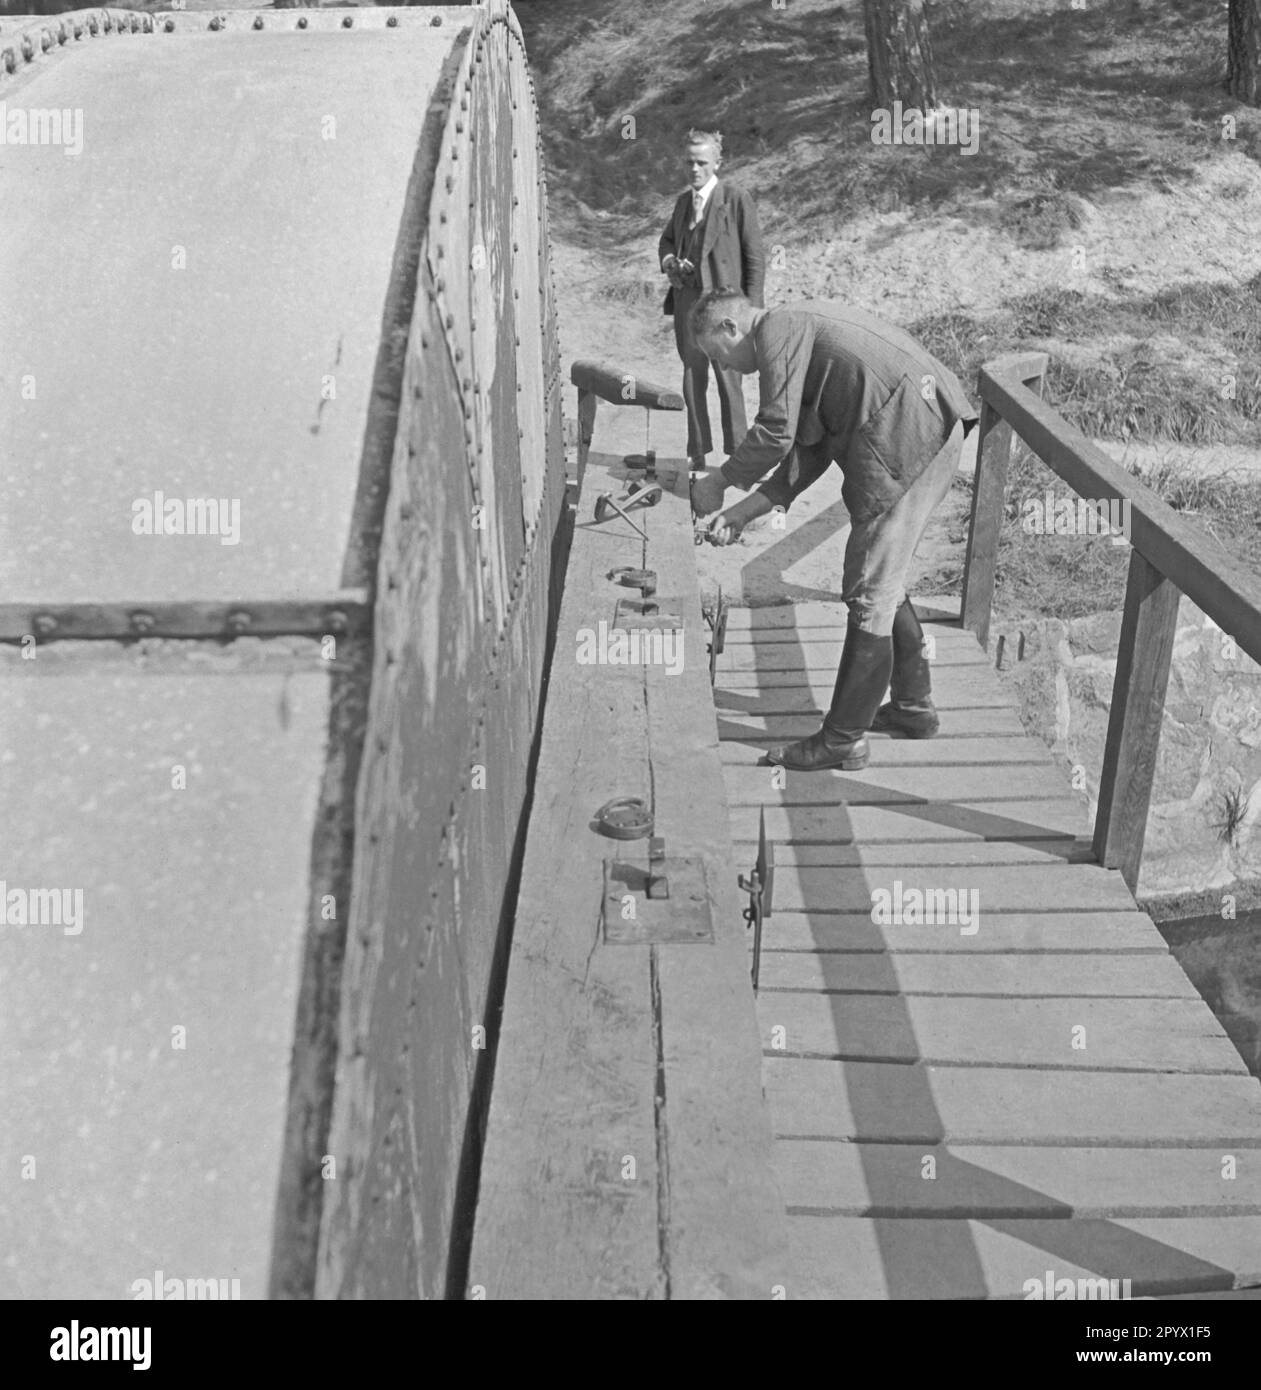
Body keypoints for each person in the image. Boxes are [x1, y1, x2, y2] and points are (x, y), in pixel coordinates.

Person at [688, 289, 978, 772]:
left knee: (870, 590)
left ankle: (843, 739)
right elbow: (807, 452)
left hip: (912, 435)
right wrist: (740, 513)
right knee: (884, 577)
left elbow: (776, 430)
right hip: (929, 427)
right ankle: (912, 707)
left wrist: (719, 481)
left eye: (720, 358)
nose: (729, 370)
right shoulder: (798, 335)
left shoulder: (777, 329)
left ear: (730, 329)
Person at [659, 130, 764, 470]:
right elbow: (667, 241)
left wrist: (753, 310)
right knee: (693, 375)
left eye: (702, 163)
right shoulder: (682, 202)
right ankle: (697, 451)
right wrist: (669, 261)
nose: (694, 169)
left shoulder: (735, 199)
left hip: (725, 309)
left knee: (729, 376)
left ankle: (738, 455)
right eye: (689, 162)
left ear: (718, 163)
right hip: (688, 305)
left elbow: (755, 258)